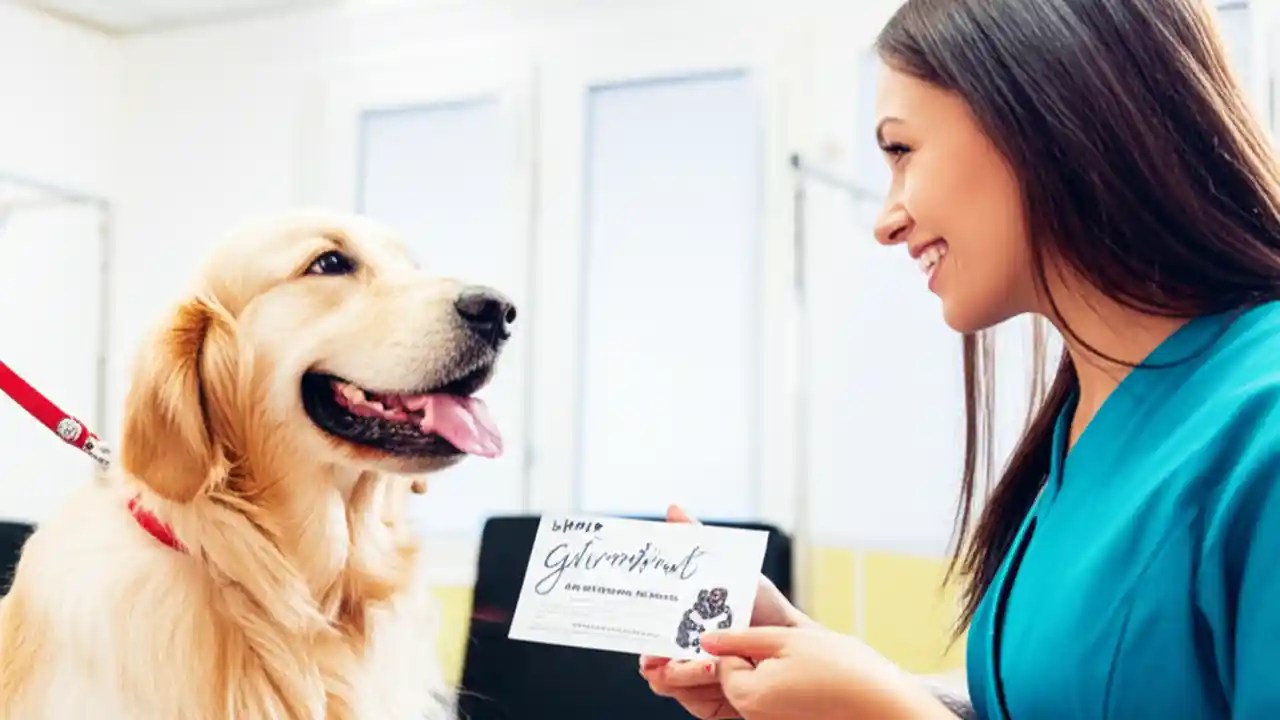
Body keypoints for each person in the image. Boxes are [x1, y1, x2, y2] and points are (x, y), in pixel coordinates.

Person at [640, 0, 1280, 717]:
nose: (887, 221)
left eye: (902, 150)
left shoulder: (1262, 423)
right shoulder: (1088, 423)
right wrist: (823, 678)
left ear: (1044, 109)